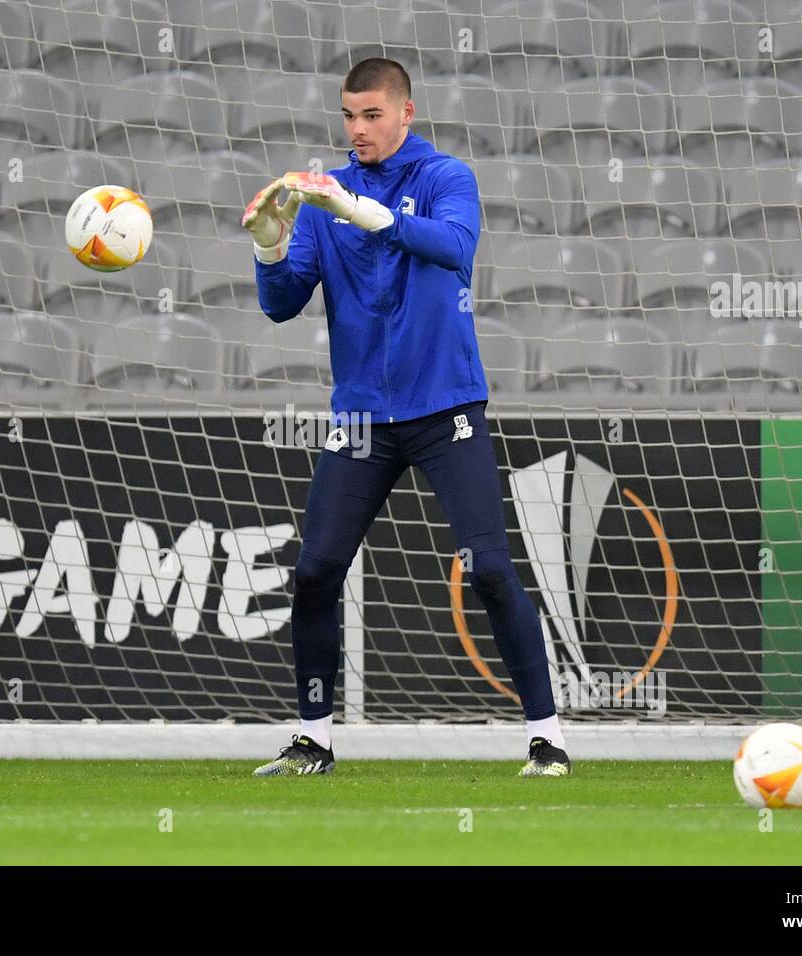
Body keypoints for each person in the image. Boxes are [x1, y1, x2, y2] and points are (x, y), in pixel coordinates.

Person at [241, 57, 569, 778]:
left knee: (488, 568)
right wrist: (270, 245)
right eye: (349, 117)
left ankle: (547, 739)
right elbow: (280, 302)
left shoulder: (445, 177)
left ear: (405, 114)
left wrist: (357, 211)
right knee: (316, 571)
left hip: (445, 406)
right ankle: (314, 742)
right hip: (360, 419)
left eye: (371, 115)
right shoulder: (326, 197)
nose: (357, 130)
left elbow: (454, 249)